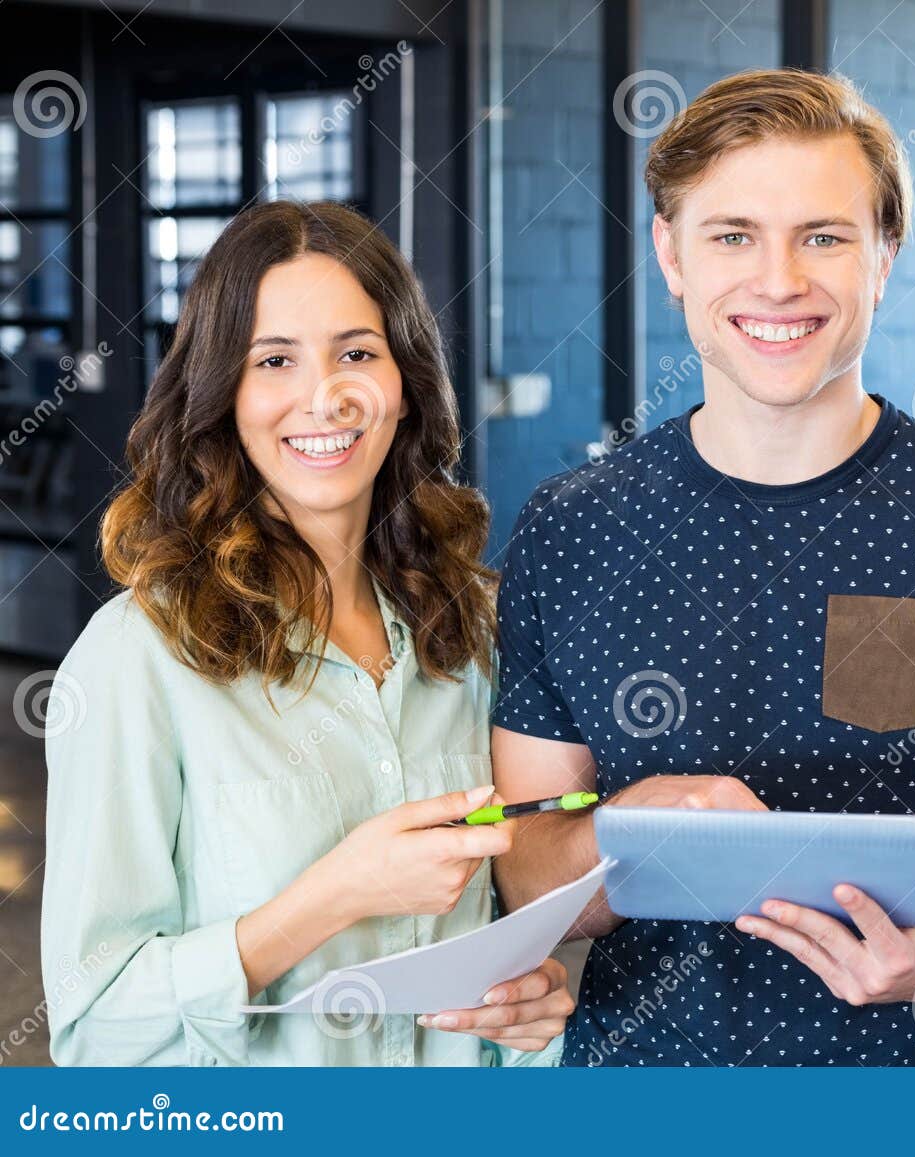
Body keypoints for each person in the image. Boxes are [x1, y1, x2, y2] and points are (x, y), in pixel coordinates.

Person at [490, 68, 915, 1067]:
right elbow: (529, 873)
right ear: (671, 255)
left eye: (823, 236)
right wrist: (622, 833)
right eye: (732, 235)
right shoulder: (568, 532)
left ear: (884, 255)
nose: (778, 280)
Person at [41, 200, 574, 1066]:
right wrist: (329, 897)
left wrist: (530, 1006)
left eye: (357, 353)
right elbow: (95, 1030)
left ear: (403, 386)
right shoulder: (137, 657)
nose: (324, 397)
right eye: (274, 360)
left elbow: (494, 946)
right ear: (223, 397)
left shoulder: (470, 628)